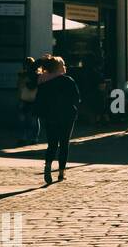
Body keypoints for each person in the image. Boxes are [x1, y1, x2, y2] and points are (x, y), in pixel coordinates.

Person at [35, 56, 80, 185]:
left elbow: (40, 100)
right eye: (63, 64)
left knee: (52, 144)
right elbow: (76, 98)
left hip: (50, 116)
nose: (65, 66)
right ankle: (61, 172)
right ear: (58, 67)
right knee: (64, 144)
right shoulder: (68, 80)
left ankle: (48, 167)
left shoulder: (43, 82)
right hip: (67, 115)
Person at [15, 57, 41, 147]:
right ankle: (33, 138)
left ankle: (24, 137)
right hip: (34, 99)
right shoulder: (38, 75)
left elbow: (19, 87)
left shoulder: (23, 75)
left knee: (24, 120)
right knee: (33, 120)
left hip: (24, 99)